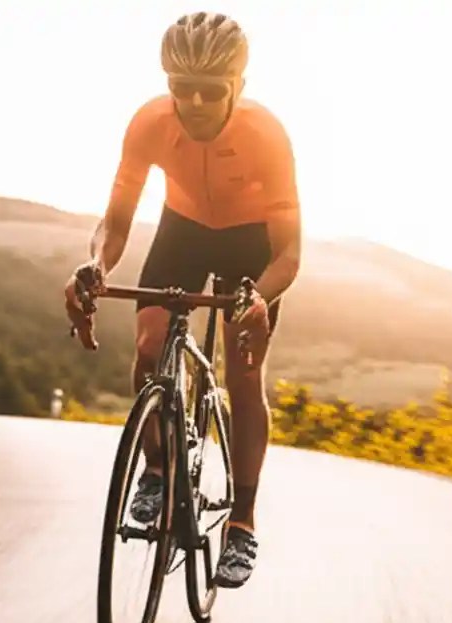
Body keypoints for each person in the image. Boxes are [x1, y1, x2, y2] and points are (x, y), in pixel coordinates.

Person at [64, 11, 301, 589]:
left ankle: (241, 523)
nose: (193, 103)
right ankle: (157, 468)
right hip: (184, 230)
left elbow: (288, 253)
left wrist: (258, 300)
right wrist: (96, 265)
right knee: (148, 351)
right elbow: (115, 222)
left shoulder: (266, 135)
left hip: (251, 246)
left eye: (210, 91)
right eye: (180, 89)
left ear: (237, 88)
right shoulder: (148, 122)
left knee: (244, 376)